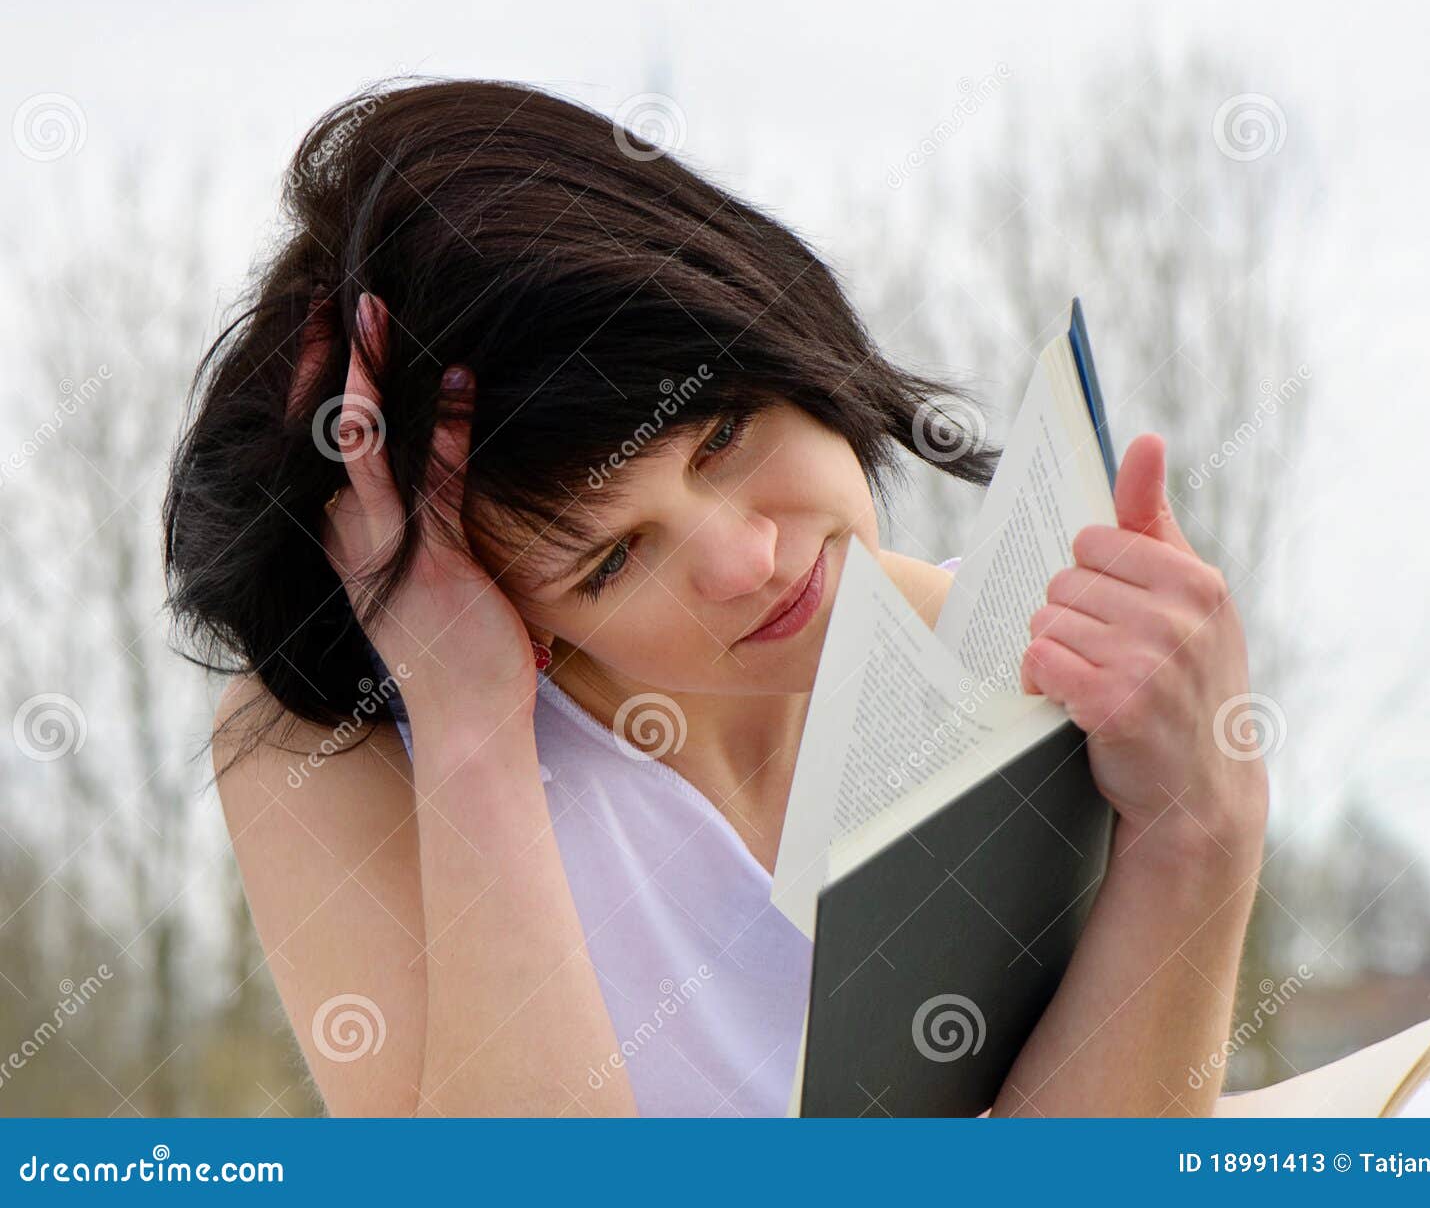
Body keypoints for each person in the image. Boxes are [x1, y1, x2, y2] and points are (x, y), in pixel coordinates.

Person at [162, 77, 1268, 1117]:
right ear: (510, 610)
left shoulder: (1044, 650)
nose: (746, 562)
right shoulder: (337, 760)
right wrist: (470, 736)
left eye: (725, 434)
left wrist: (1199, 826)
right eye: (609, 560)